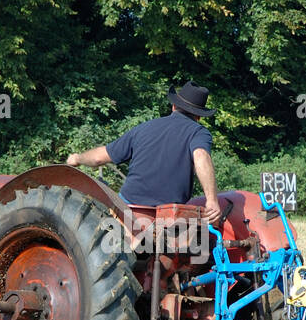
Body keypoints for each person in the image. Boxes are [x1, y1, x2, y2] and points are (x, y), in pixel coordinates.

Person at [67, 82, 223, 224]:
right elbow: (201, 156)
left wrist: (78, 158)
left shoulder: (144, 128)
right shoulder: (199, 132)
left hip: (130, 209)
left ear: (174, 106)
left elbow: (98, 158)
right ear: (199, 116)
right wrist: (212, 200)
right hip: (170, 216)